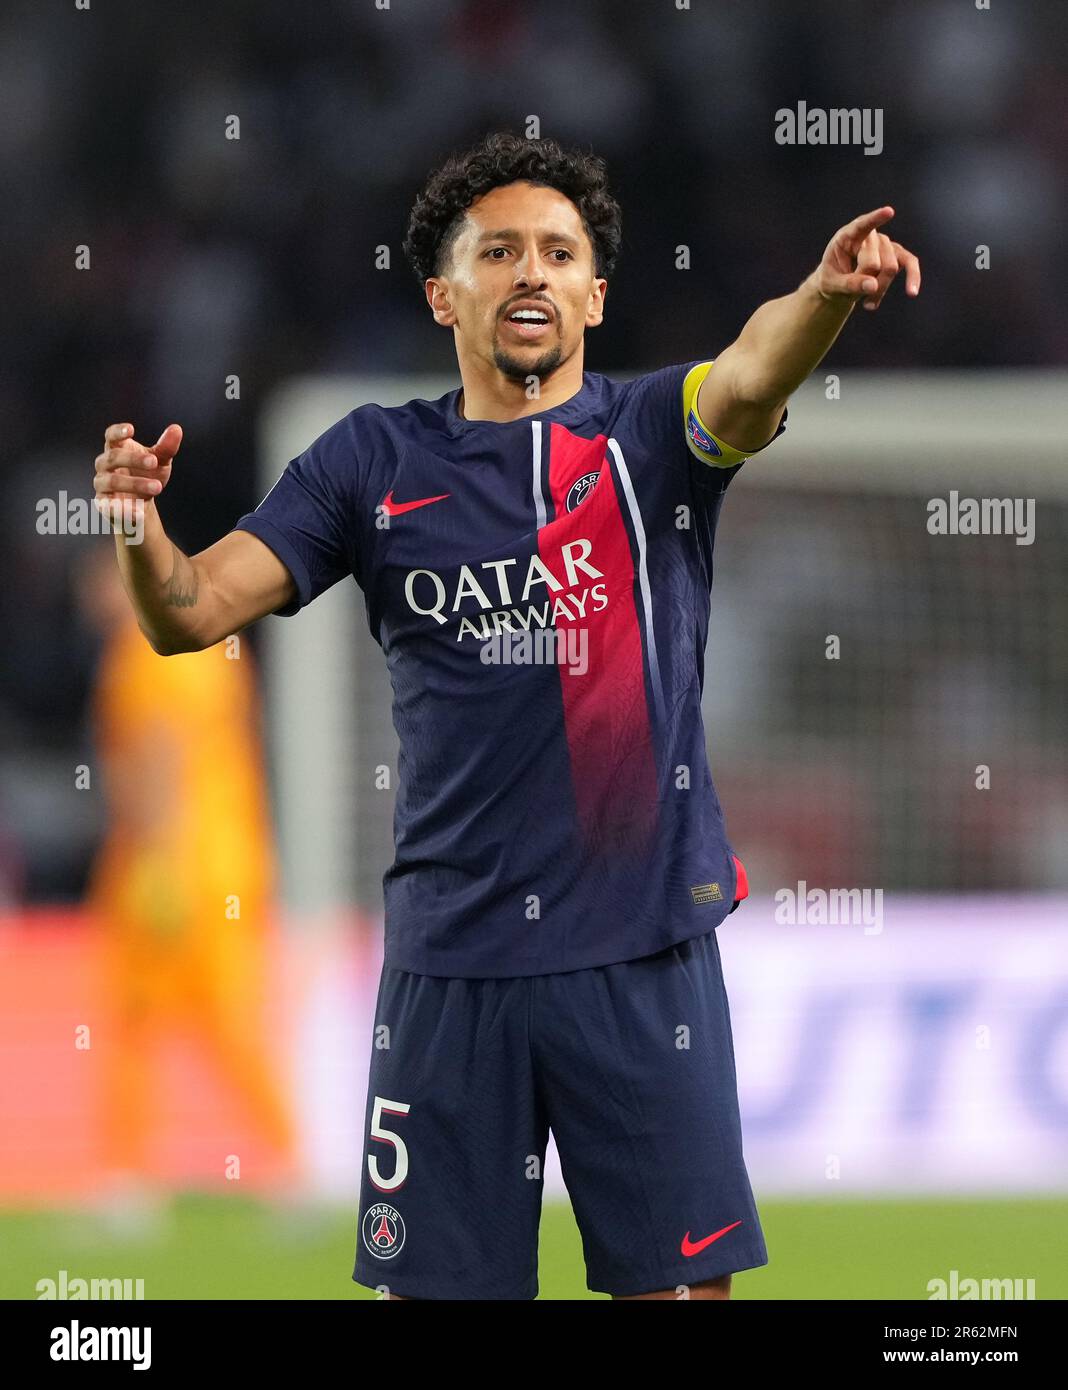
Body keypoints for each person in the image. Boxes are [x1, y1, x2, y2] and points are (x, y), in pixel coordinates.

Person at [92, 131, 919, 1300]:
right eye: (498, 252)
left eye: (557, 252)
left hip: (638, 956)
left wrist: (824, 297)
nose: (530, 272)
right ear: (444, 292)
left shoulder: (652, 440)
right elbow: (189, 609)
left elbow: (748, 374)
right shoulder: (368, 462)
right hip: (452, 970)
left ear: (594, 291)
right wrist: (139, 530)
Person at [81, 548, 295, 1211]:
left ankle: (128, 1178)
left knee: (137, 1017)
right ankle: (287, 1159)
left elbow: (158, 755)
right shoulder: (217, 644)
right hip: (232, 859)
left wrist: (155, 860)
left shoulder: (144, 650)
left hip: (174, 865)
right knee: (226, 1016)